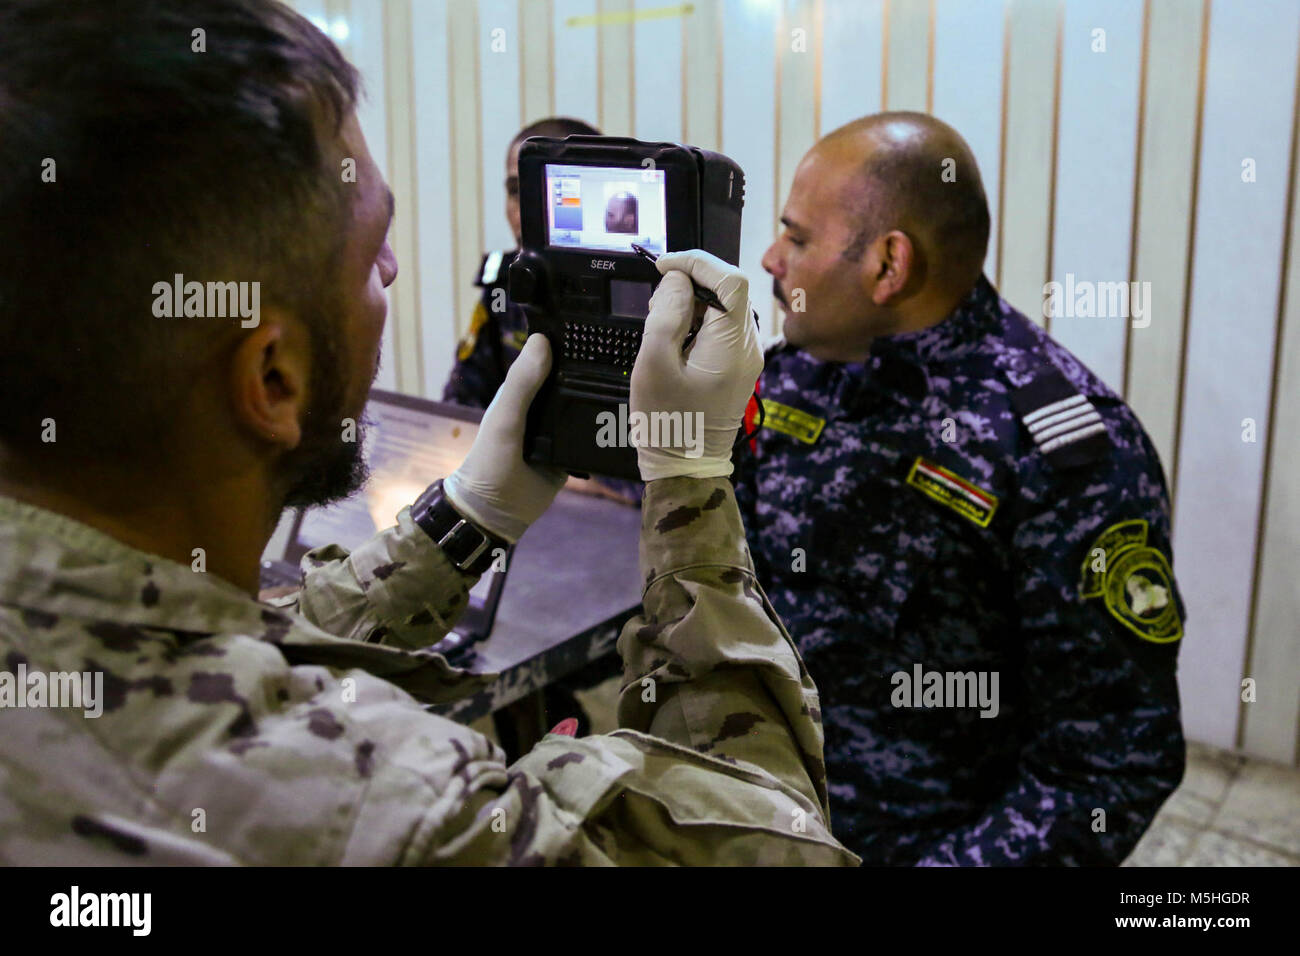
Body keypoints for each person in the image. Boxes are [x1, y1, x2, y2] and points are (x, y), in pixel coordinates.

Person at [0, 0, 854, 866]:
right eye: (373, 247)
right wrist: (690, 486)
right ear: (272, 378)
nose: (393, 270)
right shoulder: (390, 812)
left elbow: (234, 638)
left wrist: (464, 521)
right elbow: (774, 834)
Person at [733, 111, 1186, 865]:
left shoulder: (1058, 453)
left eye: (798, 237)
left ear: (889, 266)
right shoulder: (791, 376)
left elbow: (1109, 766)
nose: (772, 258)